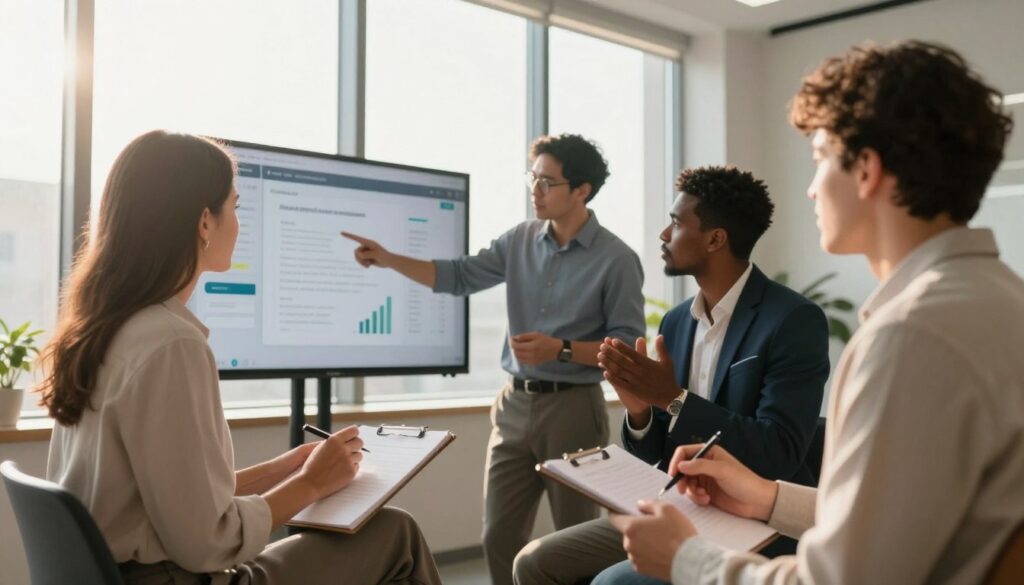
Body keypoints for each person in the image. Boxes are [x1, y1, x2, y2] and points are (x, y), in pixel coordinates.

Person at [606, 40, 1023, 585]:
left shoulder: (910, 336)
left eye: (821, 157)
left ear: (867, 170)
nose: (810, 187)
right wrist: (769, 497)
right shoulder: (998, 300)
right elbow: (905, 521)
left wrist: (687, 560)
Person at [40, 130, 442, 585]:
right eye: (235, 207)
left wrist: (282, 472)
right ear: (204, 223)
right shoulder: (173, 344)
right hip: (176, 579)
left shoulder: (104, 330)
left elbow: (168, 499)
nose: (239, 223)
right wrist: (311, 485)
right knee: (396, 534)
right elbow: (207, 541)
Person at [342, 133, 646, 585]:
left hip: (573, 408)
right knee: (499, 534)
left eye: (548, 182)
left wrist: (558, 348)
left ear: (581, 190)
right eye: (533, 178)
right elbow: (458, 276)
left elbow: (626, 347)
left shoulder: (617, 258)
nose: (535, 190)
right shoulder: (519, 240)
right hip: (513, 407)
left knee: (575, 537)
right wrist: (388, 259)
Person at [513, 166, 829, 584]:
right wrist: (641, 414)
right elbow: (658, 453)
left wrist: (673, 399)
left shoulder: (791, 320)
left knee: (611, 582)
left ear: (716, 239)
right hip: (682, 505)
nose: (664, 234)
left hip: (756, 520)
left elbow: (779, 451)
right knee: (534, 561)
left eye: (677, 223)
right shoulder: (677, 322)